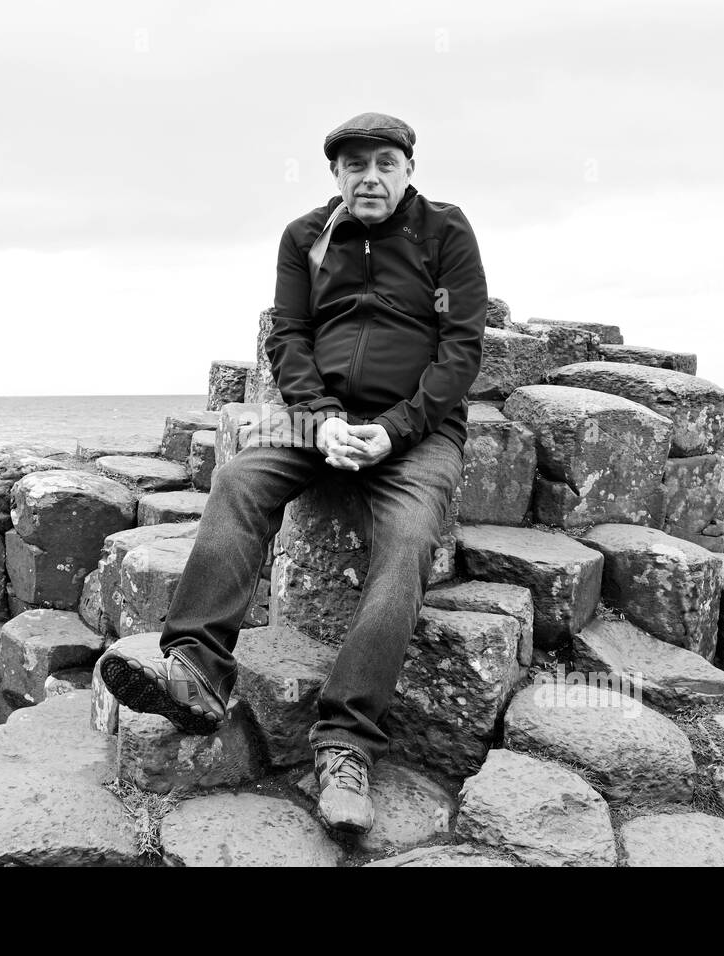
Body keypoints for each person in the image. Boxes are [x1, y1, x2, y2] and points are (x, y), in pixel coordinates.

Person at [98, 111, 487, 833]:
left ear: (409, 168)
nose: (370, 176)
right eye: (355, 165)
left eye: (385, 163)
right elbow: (291, 335)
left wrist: (393, 429)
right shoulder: (305, 237)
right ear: (335, 174)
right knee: (240, 479)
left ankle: (345, 746)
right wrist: (325, 418)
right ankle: (198, 672)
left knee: (405, 545)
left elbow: (461, 347)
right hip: (320, 418)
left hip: (419, 428)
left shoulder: (446, 230)